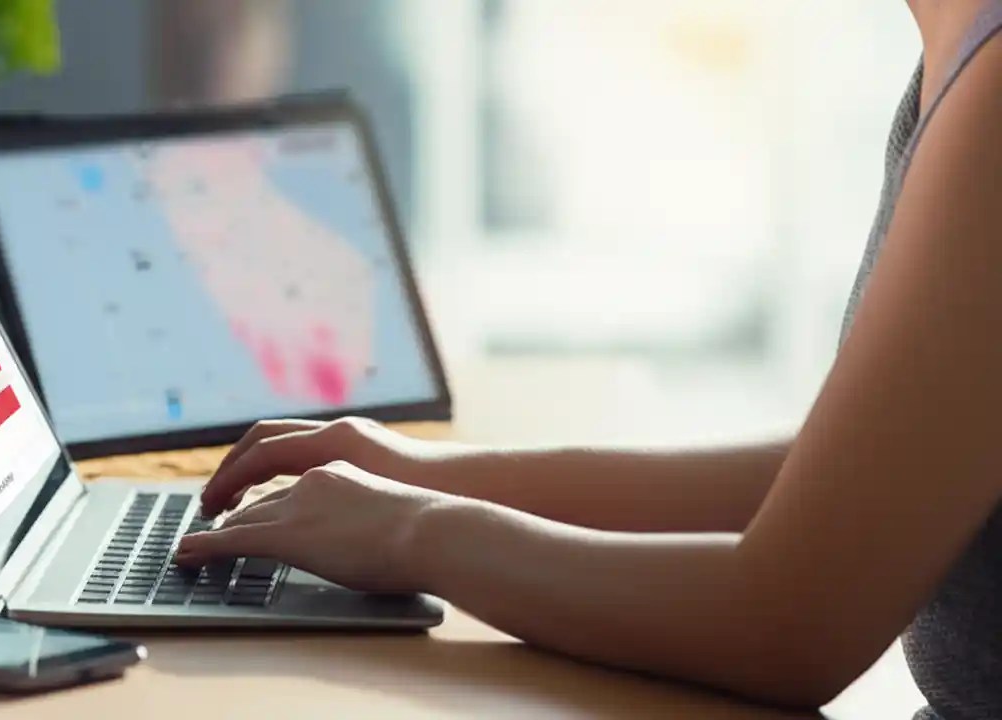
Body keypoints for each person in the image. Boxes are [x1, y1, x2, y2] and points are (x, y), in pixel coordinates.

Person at [178, 1, 1002, 715]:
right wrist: (424, 474)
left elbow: (792, 623)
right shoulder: (954, 48)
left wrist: (411, 533)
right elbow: (865, 481)